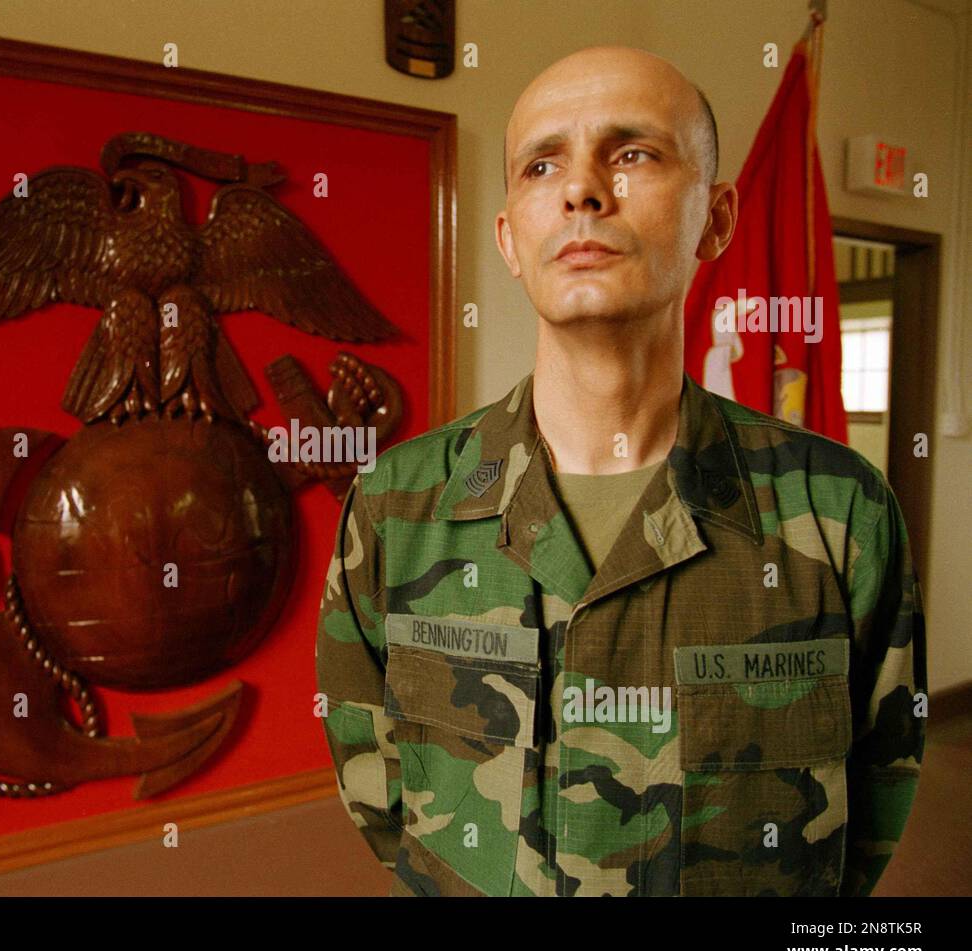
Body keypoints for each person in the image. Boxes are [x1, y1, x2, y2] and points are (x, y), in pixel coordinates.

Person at [314, 45, 925, 896]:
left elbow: (874, 796)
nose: (582, 191)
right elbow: (383, 800)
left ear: (715, 219)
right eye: (542, 164)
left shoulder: (837, 512)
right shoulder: (396, 507)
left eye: (632, 153)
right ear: (510, 240)